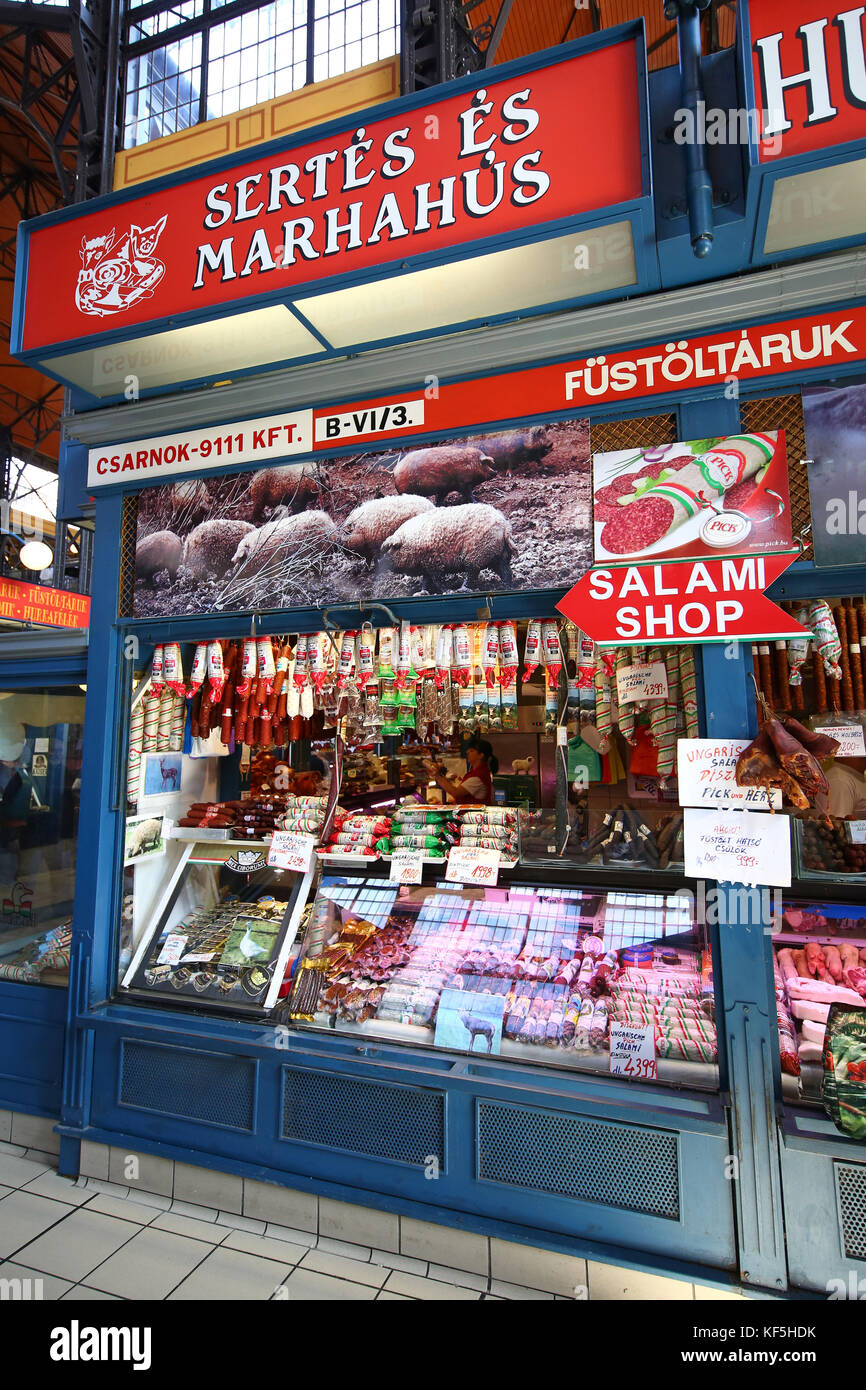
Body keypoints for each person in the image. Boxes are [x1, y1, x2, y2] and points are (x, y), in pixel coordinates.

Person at [425, 740, 497, 804]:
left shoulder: (478, 776)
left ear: (481, 755)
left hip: (472, 816)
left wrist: (437, 775)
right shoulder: (476, 772)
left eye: (472, 751)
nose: (467, 752)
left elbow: (455, 792)